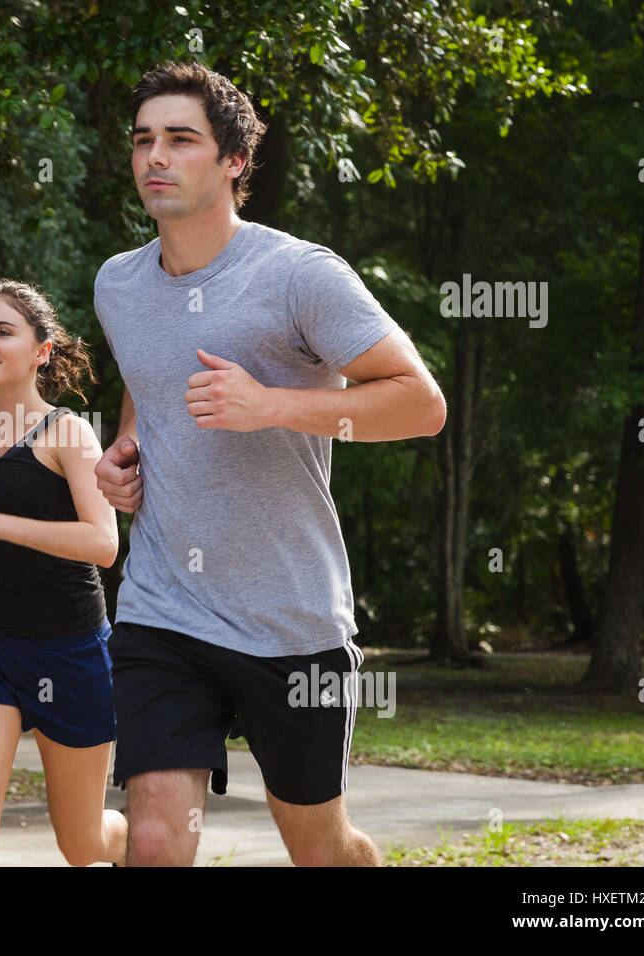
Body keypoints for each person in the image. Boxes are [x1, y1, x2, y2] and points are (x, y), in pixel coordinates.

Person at [91, 62, 448, 866]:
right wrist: (128, 456)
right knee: (152, 837)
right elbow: (148, 386)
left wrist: (275, 405)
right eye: (144, 140)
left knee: (319, 846)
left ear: (233, 162)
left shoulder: (297, 275)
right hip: (164, 607)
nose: (156, 157)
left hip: (289, 616)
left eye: (181, 140)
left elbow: (421, 403)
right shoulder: (119, 283)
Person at [0, 278, 128, 866]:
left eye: (3, 331)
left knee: (81, 842)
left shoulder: (67, 433)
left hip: (69, 652)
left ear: (42, 351)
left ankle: (132, 842)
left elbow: (102, 543)